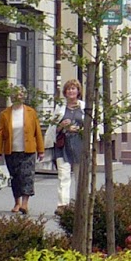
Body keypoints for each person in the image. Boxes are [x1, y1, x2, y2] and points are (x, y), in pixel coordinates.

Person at [0, 86, 42, 215]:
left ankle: (25, 204)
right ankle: (17, 202)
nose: (18, 97)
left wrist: (41, 150)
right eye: (15, 95)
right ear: (11, 97)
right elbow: (0, 134)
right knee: (15, 177)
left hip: (28, 150)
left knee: (27, 176)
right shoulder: (5, 114)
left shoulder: (31, 112)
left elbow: (37, 132)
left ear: (24, 96)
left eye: (21, 94)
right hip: (11, 151)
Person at [53, 78, 87, 206]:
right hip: (63, 146)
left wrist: (80, 129)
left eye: (73, 88)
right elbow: (53, 129)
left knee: (80, 177)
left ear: (78, 91)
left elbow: (92, 127)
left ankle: (81, 205)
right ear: (65, 92)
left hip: (80, 145)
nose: (71, 91)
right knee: (63, 176)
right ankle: (63, 205)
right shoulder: (60, 108)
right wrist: (62, 125)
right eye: (68, 89)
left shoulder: (84, 107)